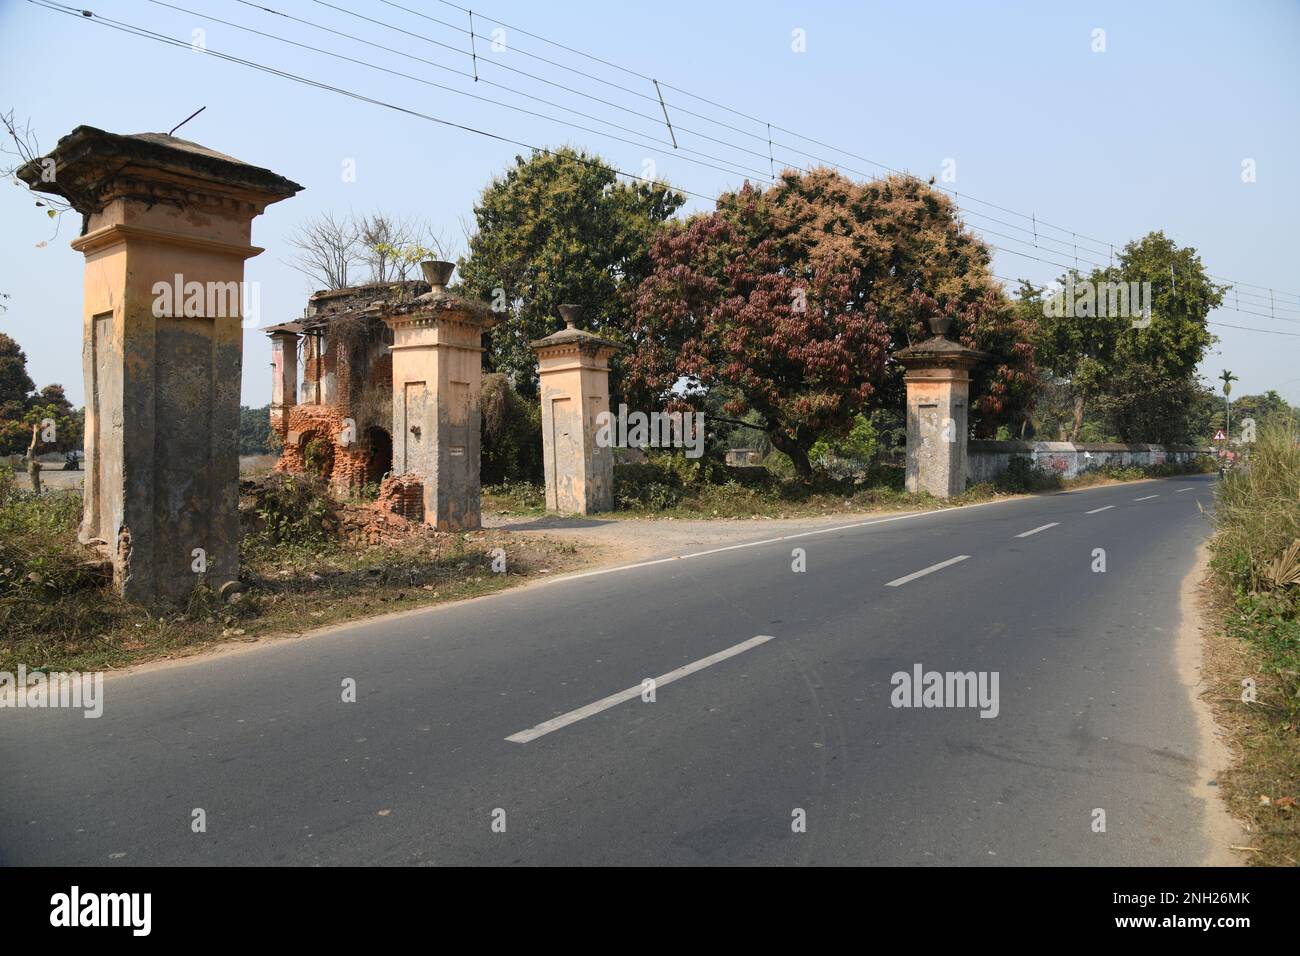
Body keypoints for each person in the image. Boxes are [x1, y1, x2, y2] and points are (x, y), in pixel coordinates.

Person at [25, 422, 42, 495]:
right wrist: (35, 431)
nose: (29, 446)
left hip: (32, 470)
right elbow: (34, 441)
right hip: (32, 470)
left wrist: (35, 431)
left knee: (35, 484)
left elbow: (34, 441)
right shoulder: (29, 455)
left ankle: (36, 494)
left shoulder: (29, 454)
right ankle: (37, 494)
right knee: (36, 485)